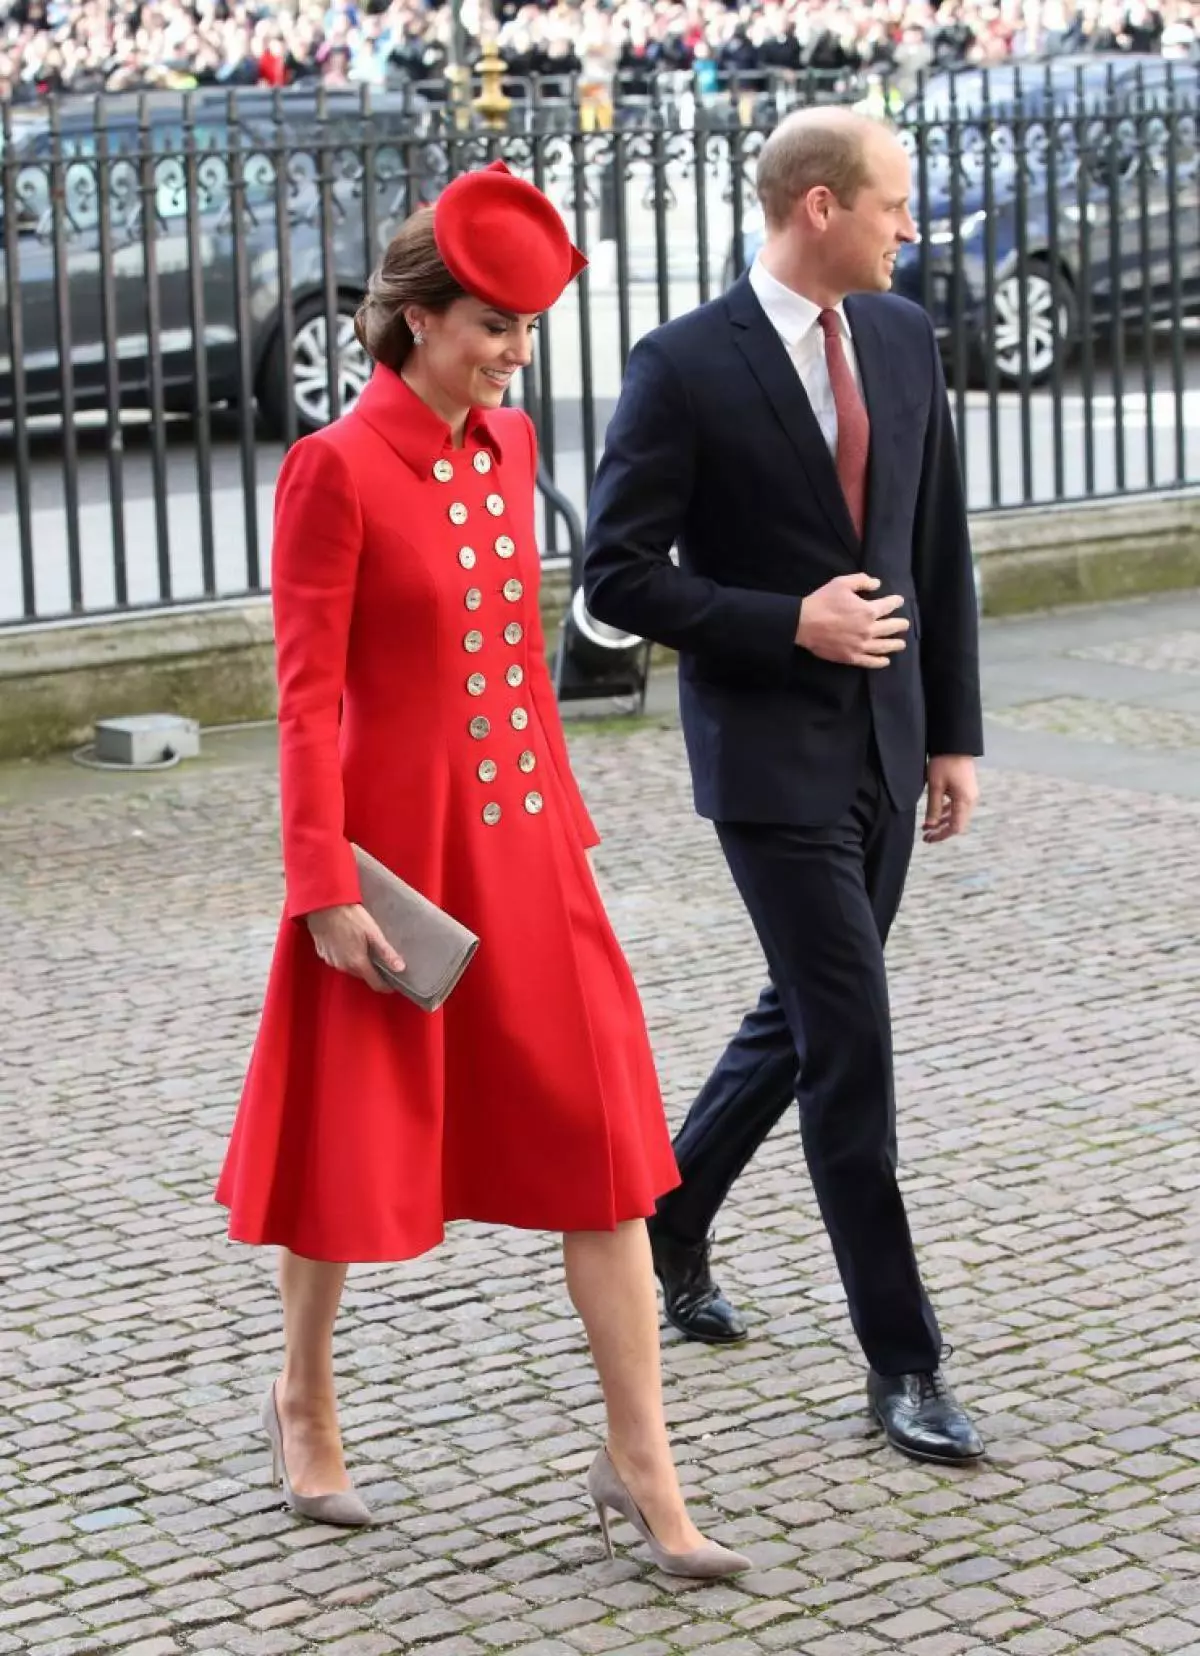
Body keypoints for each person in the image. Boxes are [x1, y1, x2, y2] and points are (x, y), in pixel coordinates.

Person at [215, 162, 751, 1579]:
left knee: (608, 1156)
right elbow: (308, 694)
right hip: (393, 866)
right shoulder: (332, 469)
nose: (514, 355)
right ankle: (304, 1397)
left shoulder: (508, 451)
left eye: (523, 331)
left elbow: (512, 663)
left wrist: (563, 823)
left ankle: (643, 1465)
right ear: (413, 318)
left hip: (526, 852)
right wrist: (322, 879)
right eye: (492, 328)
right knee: (347, 1146)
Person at [583, 109, 986, 1466]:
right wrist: (785, 621)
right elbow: (615, 581)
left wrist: (952, 735)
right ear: (818, 207)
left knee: (807, 1015)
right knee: (850, 1049)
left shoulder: (905, 338)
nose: (910, 229)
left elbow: (936, 549)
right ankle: (905, 1361)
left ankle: (671, 1219)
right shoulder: (685, 364)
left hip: (887, 744)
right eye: (894, 205)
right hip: (767, 765)